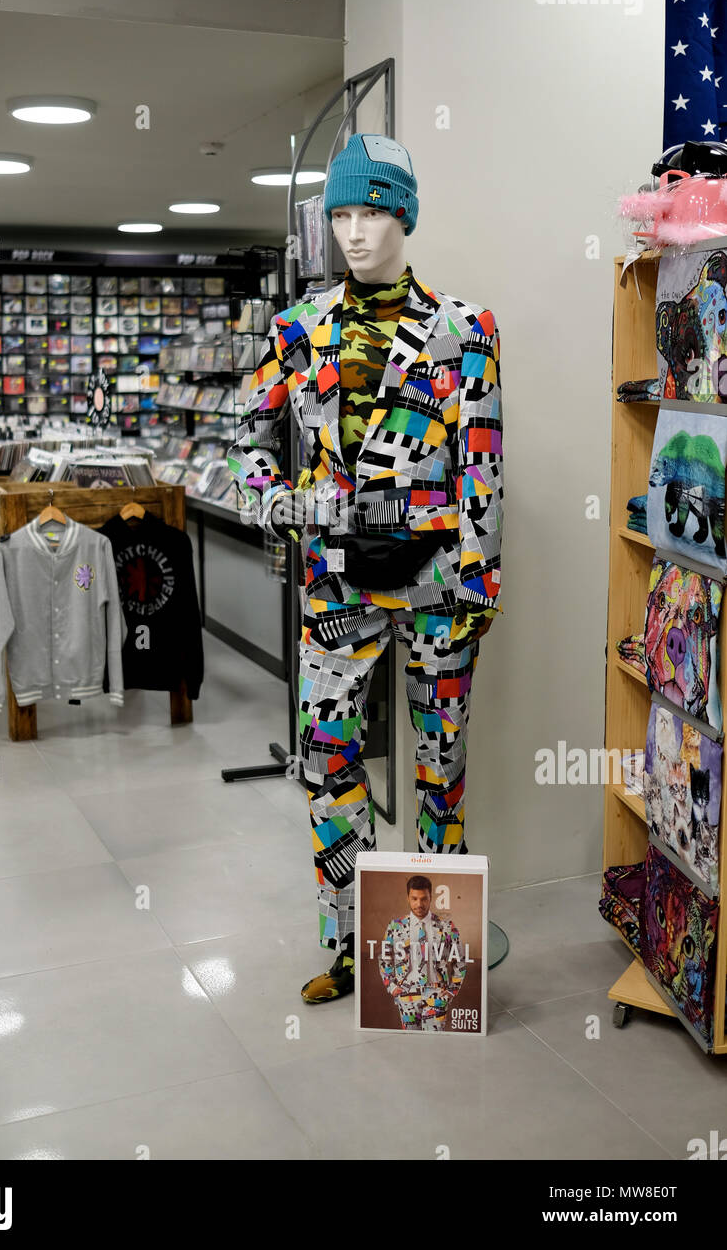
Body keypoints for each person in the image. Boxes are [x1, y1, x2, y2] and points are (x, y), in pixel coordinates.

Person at [227, 133, 503, 1002]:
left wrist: (478, 584)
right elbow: (246, 438)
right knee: (326, 760)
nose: (354, 232)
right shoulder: (296, 329)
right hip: (335, 582)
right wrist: (283, 506)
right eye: (340, 214)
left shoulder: (465, 330)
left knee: (440, 767)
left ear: (405, 214)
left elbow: (483, 462)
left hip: (435, 585)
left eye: (373, 211)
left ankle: (438, 953)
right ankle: (346, 942)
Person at [378, 875, 467, 1031]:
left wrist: (452, 990)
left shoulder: (446, 926)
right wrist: (391, 986)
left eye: (424, 899)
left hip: (437, 993)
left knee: (434, 1042)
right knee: (410, 1042)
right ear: (408, 898)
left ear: (431, 897)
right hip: (406, 993)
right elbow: (384, 958)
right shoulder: (395, 927)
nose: (419, 904)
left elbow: (460, 959)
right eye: (414, 899)